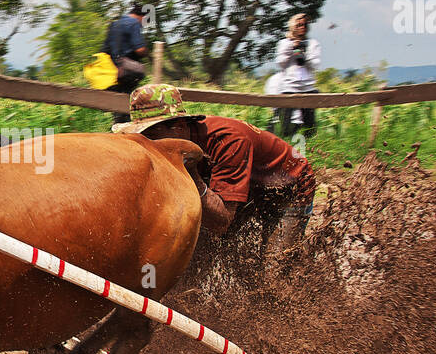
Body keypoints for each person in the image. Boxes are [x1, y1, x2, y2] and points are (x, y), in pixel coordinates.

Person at [114, 83, 317, 259]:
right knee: (198, 252)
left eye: (154, 134)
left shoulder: (227, 141)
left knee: (277, 263)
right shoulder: (174, 142)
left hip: (289, 188)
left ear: (181, 125)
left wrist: (191, 172)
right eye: (144, 136)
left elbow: (221, 221)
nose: (151, 144)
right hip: (245, 190)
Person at [274, 12, 322, 138]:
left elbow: (315, 65)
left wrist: (304, 54)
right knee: (284, 126)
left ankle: (311, 151)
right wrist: (292, 47)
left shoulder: (312, 43)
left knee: (310, 127)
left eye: (305, 24)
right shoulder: (284, 43)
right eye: (299, 24)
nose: (303, 27)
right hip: (289, 88)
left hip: (308, 89)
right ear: (293, 26)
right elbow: (280, 63)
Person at [102, 4, 148, 123]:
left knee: (119, 104)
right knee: (129, 99)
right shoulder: (134, 23)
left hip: (111, 70)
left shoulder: (115, 24)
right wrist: (146, 52)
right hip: (126, 71)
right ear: (142, 16)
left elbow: (106, 48)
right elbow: (140, 49)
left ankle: (118, 126)